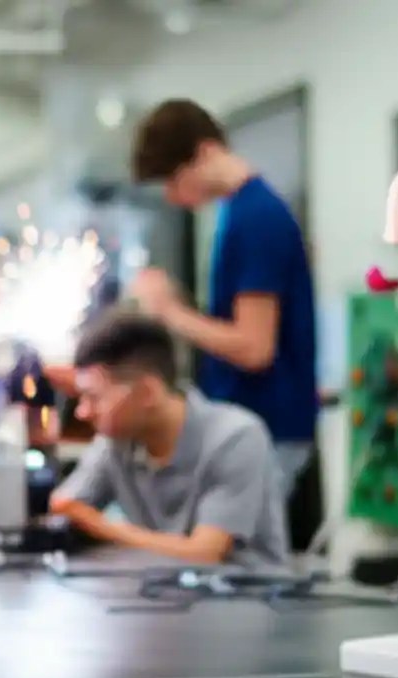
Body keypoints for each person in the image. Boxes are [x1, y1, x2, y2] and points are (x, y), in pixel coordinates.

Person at [127, 99, 319, 505]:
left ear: (205, 152)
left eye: (174, 181)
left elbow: (254, 347)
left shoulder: (255, 218)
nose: (174, 198)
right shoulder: (240, 214)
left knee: (241, 559)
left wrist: (169, 312)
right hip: (255, 425)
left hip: (267, 427)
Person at [47, 311, 290, 568]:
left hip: (246, 597)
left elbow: (205, 554)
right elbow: (67, 506)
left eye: (94, 397)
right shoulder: (116, 442)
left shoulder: (235, 438)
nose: (82, 412)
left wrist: (101, 526)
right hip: (162, 595)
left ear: (148, 392)